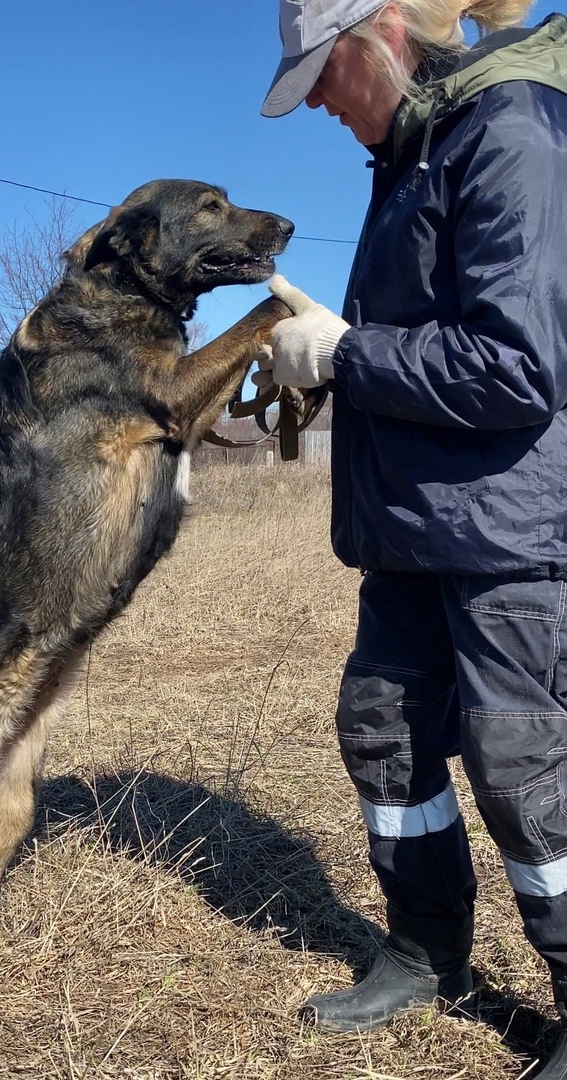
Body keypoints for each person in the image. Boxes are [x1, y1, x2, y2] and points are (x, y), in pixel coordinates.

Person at [254, 0, 567, 1075]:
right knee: (384, 733)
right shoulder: (415, 150)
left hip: (506, 531)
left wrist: (347, 356)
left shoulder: (511, 129)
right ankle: (426, 952)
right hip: (408, 535)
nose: (325, 110)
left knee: (525, 766)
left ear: (383, 30)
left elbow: (520, 367)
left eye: (326, 77)